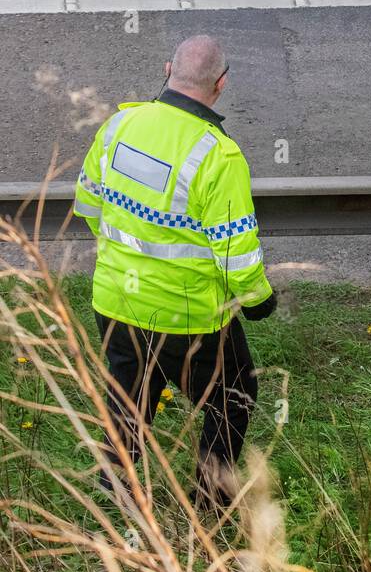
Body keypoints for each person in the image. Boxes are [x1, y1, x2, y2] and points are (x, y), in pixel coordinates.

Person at [73, 34, 275, 508]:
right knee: (233, 397)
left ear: (168, 70)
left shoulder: (120, 124)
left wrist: (126, 253)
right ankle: (210, 500)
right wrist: (259, 300)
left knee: (131, 390)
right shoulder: (218, 155)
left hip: (117, 299)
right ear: (221, 84)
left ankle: (114, 486)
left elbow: (87, 202)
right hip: (188, 315)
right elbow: (235, 251)